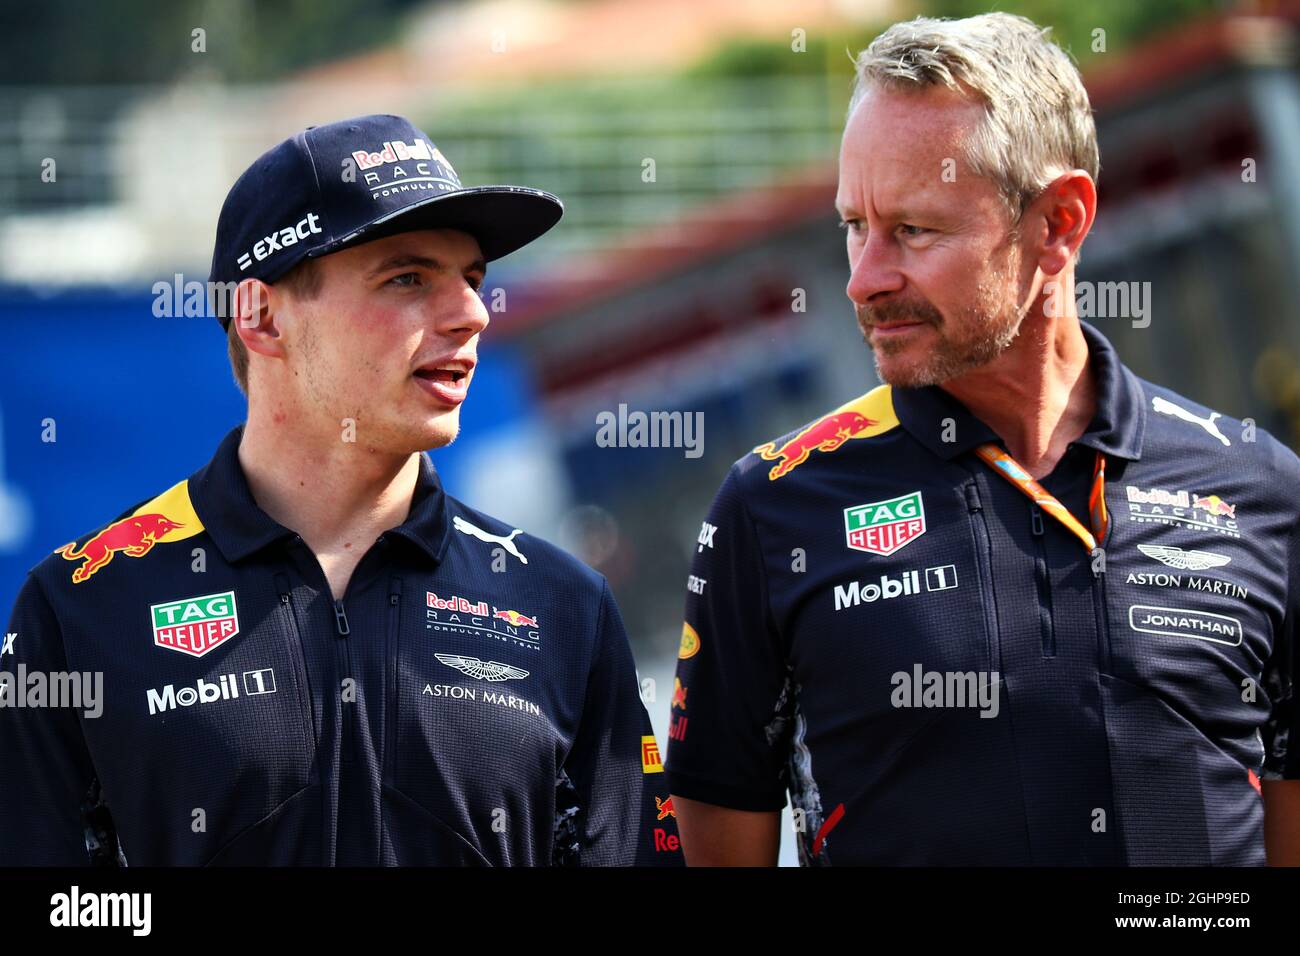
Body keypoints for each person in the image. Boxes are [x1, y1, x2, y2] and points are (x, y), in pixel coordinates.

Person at [666, 13, 1300, 865]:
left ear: (1060, 222)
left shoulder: (1263, 488)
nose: (863, 279)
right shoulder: (773, 505)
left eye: (914, 231)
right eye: (854, 225)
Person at [0, 114, 681, 866]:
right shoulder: (80, 608)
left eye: (473, 279)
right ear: (260, 316)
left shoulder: (562, 606)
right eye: (408, 279)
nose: (471, 314)